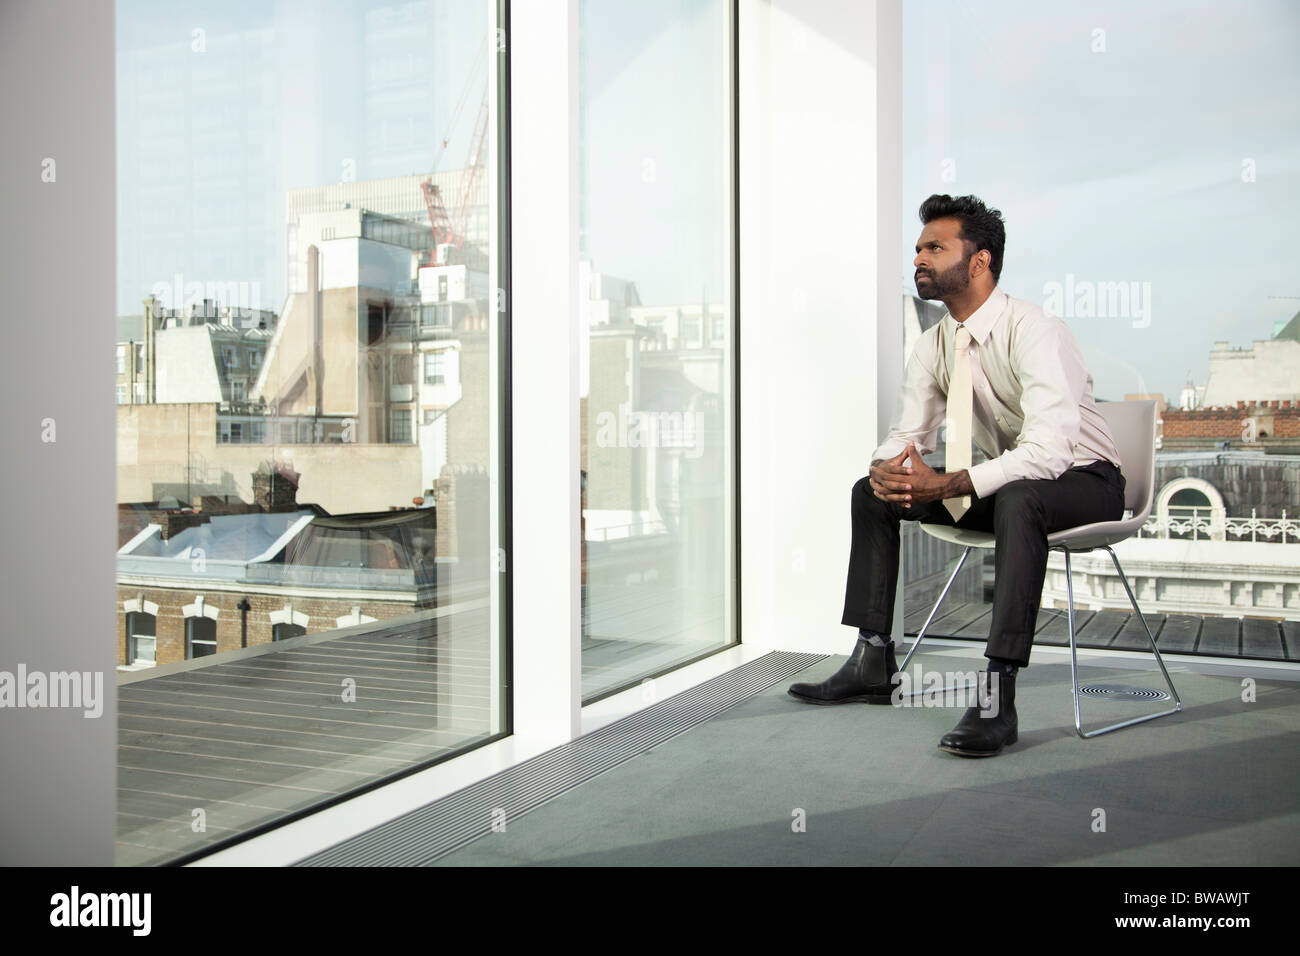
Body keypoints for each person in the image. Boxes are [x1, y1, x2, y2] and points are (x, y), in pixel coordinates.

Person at [788, 194, 1126, 757]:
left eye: (934, 247)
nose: (918, 258)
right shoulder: (935, 343)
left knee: (1021, 498)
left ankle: (997, 695)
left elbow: (1048, 451)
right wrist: (890, 471)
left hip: (1087, 482)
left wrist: (945, 483)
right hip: (1010, 484)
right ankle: (872, 659)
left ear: (980, 261)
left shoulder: (1037, 330)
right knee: (871, 496)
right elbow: (907, 435)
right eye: (917, 248)